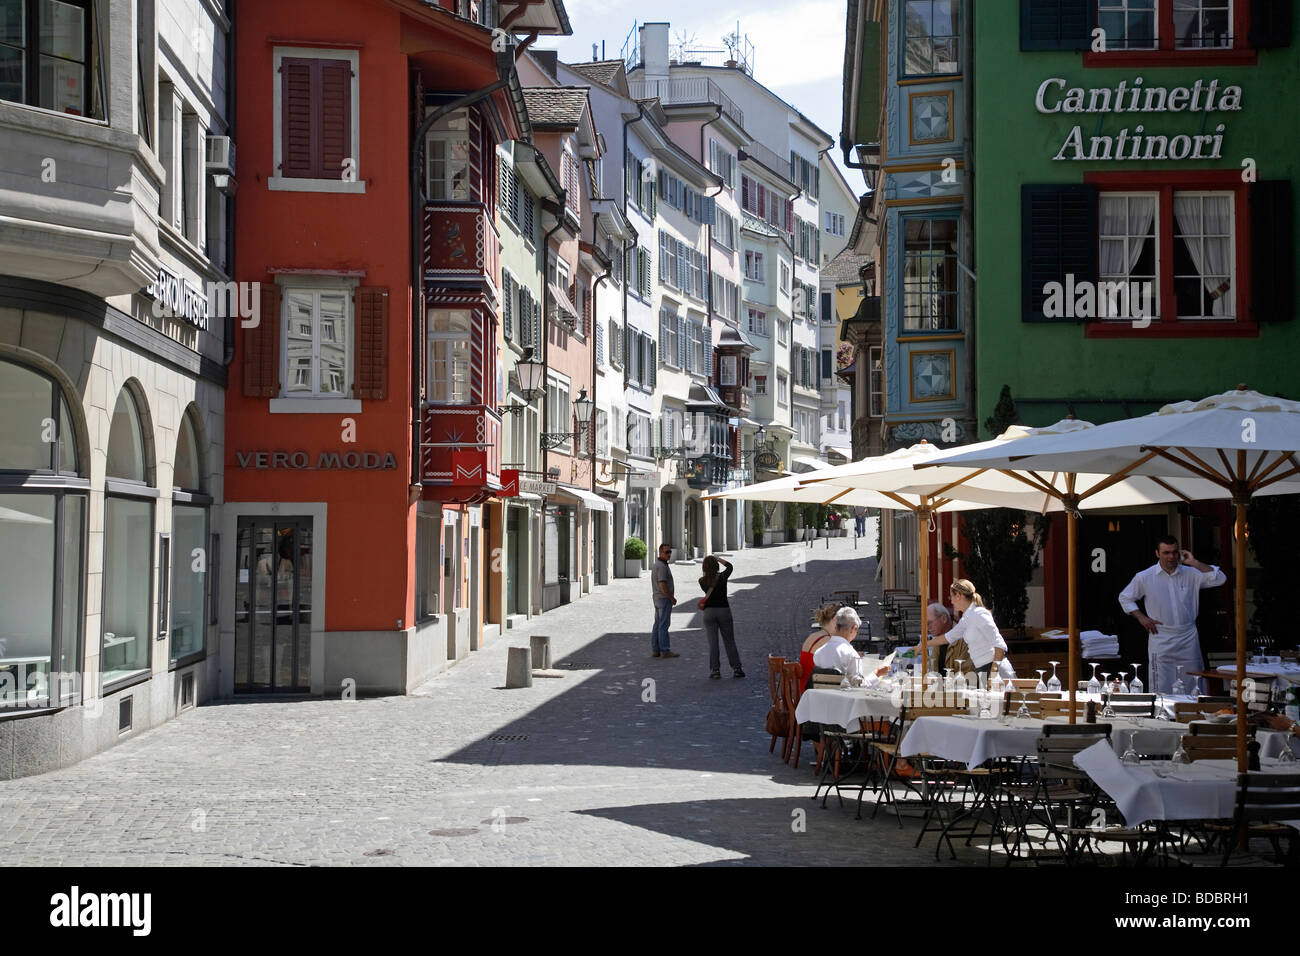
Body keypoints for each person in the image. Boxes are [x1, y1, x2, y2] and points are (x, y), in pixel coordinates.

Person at [1118, 535, 1226, 695]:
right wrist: (1141, 617)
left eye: (1175, 552)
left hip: (1188, 636)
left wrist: (1194, 562)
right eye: (1166, 553)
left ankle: (1192, 714)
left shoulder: (1191, 573)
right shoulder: (1145, 577)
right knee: (1161, 682)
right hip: (1161, 636)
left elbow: (1220, 578)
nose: (1171, 557)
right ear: (1157, 553)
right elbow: (1125, 597)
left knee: (1193, 681)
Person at [922, 580, 1008, 680]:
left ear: (959, 595)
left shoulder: (979, 614)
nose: (951, 601)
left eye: (951, 597)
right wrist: (923, 645)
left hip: (995, 670)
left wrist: (993, 674)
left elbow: (1000, 645)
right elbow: (948, 637)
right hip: (982, 670)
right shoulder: (966, 618)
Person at [699, 555, 744, 679]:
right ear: (716, 565)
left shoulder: (702, 581)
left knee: (713, 643)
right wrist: (718, 558)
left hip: (709, 613)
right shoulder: (722, 577)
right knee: (729, 641)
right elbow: (730, 566)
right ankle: (737, 668)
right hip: (724, 611)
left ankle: (715, 670)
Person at [651, 543, 679, 659]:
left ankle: (656, 649)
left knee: (657, 624)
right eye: (666, 552)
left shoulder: (658, 564)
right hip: (663, 599)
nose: (669, 554)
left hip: (657, 598)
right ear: (660, 552)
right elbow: (662, 584)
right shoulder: (662, 566)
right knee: (663, 625)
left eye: (670, 552)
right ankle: (665, 650)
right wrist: (670, 597)